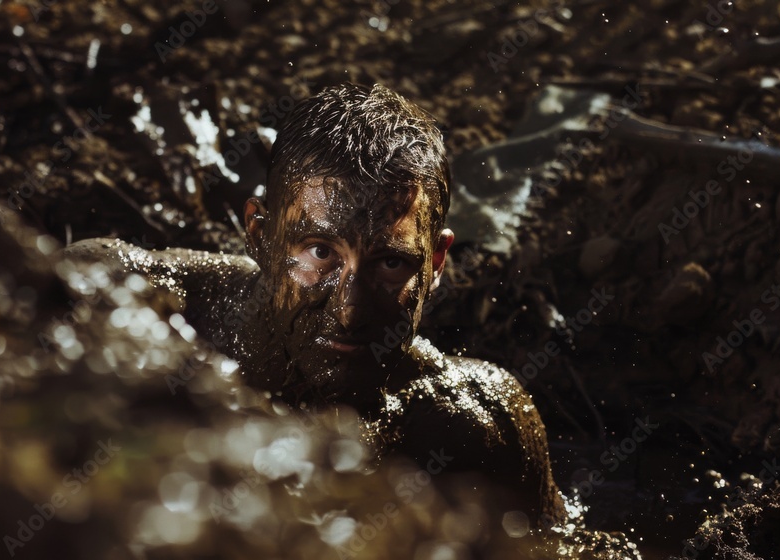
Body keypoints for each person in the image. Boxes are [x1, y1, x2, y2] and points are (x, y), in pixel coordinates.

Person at [65, 83, 565, 532]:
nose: (350, 310)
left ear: (435, 263)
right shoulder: (127, 302)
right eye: (321, 252)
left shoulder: (475, 425)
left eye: (390, 263)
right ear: (260, 235)